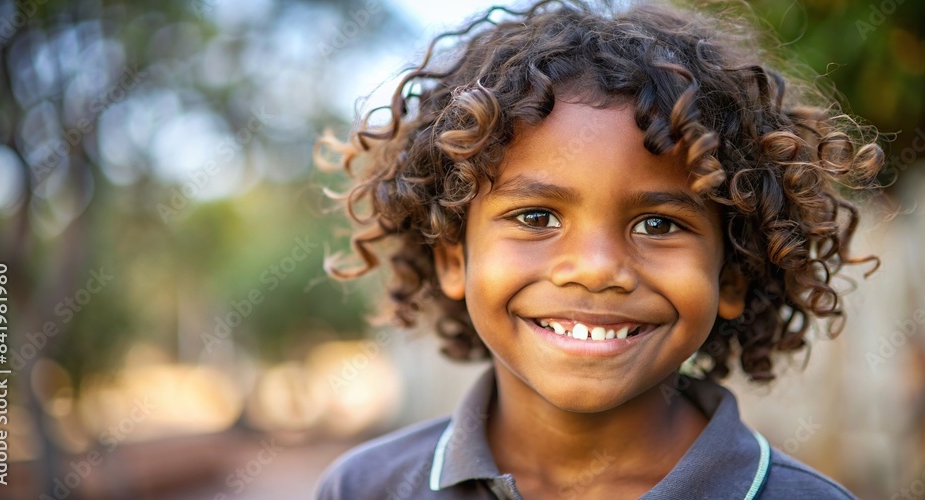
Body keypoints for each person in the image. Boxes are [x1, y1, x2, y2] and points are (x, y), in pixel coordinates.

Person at [314, 0, 882, 498]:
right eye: (536, 217)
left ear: (732, 273)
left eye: (658, 225)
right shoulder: (366, 488)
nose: (596, 269)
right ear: (452, 259)